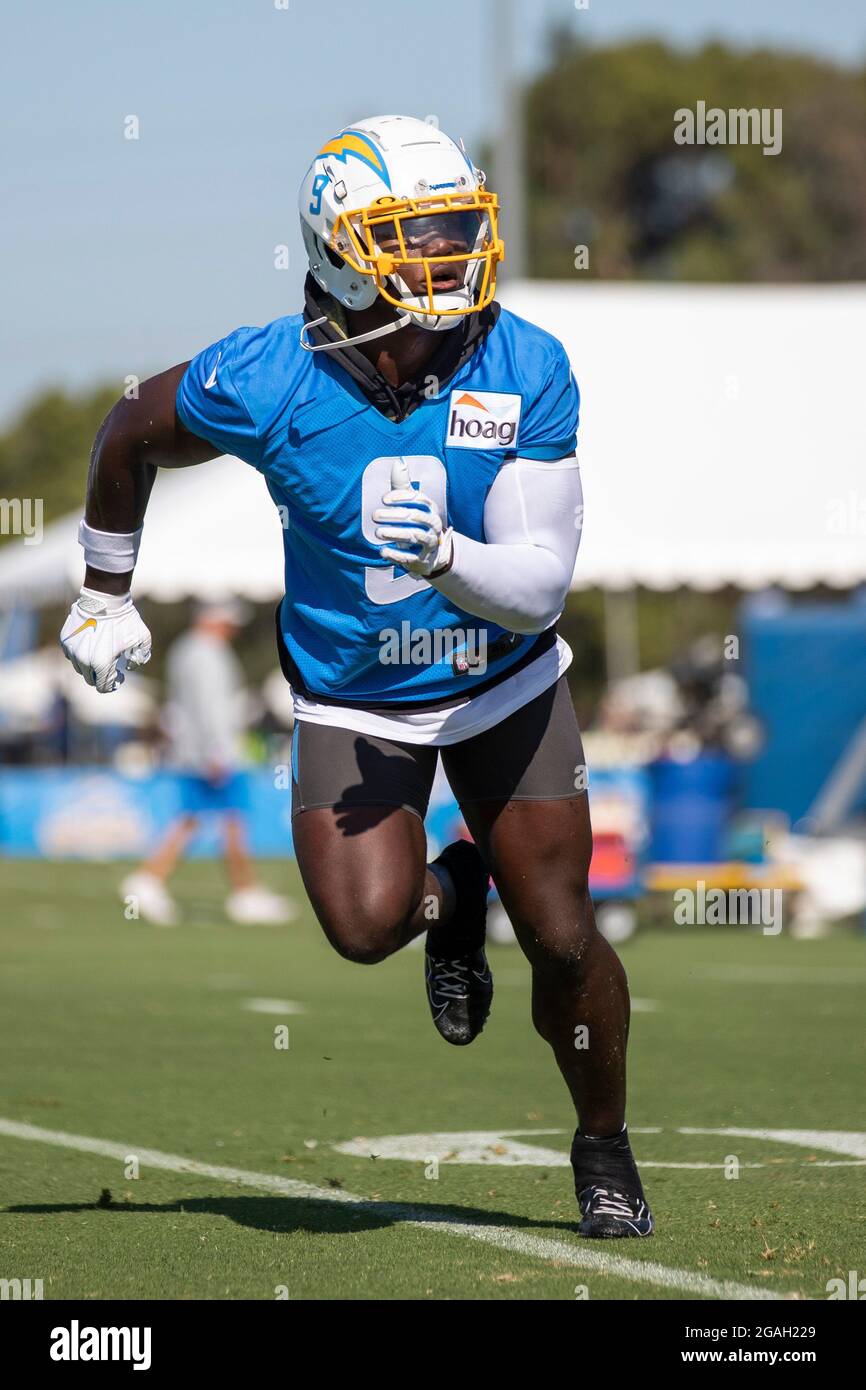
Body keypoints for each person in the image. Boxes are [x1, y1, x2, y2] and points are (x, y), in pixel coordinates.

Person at [60, 115, 653, 1237]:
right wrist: (103, 589)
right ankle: (451, 896)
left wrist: (441, 553)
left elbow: (536, 588)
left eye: (456, 228)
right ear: (338, 247)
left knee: (563, 934)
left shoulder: (521, 360)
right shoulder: (269, 375)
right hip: (354, 691)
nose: (448, 256)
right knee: (364, 924)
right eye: (411, 235)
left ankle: (601, 1141)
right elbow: (133, 424)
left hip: (503, 682)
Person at [121, 600, 294, 927]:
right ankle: (243, 893)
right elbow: (211, 706)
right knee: (233, 819)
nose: (233, 628)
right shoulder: (207, 653)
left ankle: (150, 879)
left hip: (193, 750)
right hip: (214, 752)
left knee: (193, 819)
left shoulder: (185, 649)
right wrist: (217, 751)